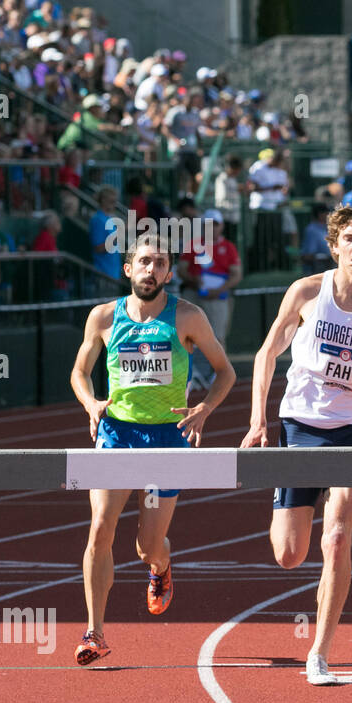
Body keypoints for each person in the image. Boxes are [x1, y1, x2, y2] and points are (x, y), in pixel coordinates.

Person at [241, 206, 352, 685]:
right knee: (289, 554)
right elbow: (265, 353)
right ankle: (283, 506)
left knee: (338, 539)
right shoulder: (306, 292)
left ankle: (319, 653)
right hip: (298, 426)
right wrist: (258, 419)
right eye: (349, 238)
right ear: (334, 246)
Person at [68, 232, 236, 666]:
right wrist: (91, 403)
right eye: (144, 262)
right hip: (117, 434)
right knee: (100, 530)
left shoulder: (189, 317)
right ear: (128, 269)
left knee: (147, 546)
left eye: (160, 263)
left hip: (167, 438)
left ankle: (160, 569)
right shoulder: (104, 318)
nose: (151, 270)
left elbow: (225, 372)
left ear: (168, 271)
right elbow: (80, 372)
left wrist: (203, 408)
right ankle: (95, 633)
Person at [179, 208, 241, 392]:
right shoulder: (193, 245)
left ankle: (218, 374)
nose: (212, 228)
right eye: (208, 224)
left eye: (216, 224)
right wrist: (194, 280)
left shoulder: (229, 247)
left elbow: (236, 274)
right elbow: (182, 269)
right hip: (194, 295)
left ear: (221, 226)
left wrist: (220, 289)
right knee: (187, 335)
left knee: (218, 336)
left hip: (218, 299)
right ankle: (190, 374)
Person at [300, 202, 333, 274]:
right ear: (320, 214)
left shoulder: (330, 228)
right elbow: (308, 255)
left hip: (330, 264)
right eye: (327, 212)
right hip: (316, 267)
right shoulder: (311, 230)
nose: (329, 215)